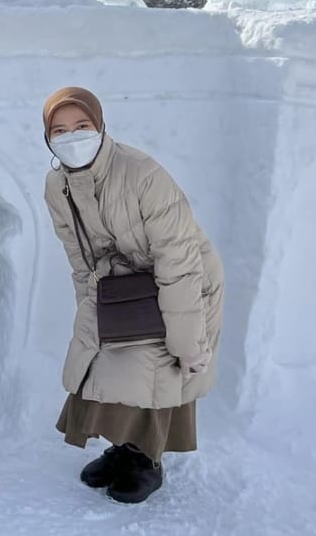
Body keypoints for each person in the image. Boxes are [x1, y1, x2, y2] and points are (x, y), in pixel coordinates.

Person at [41, 86, 224, 504]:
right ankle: (122, 447)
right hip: (118, 286)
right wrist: (93, 313)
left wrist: (188, 342)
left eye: (82, 126)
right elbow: (78, 259)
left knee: (158, 368)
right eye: (61, 130)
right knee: (106, 362)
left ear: (101, 126)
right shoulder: (57, 187)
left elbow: (178, 261)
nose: (72, 137)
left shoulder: (142, 174)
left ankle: (148, 460)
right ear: (48, 138)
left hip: (182, 279)